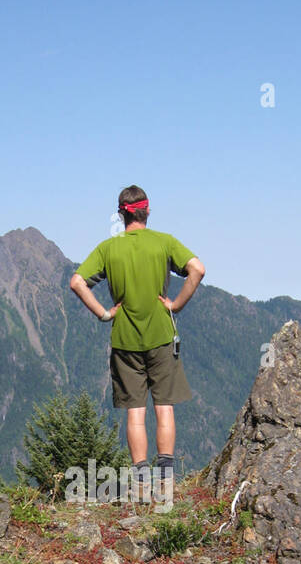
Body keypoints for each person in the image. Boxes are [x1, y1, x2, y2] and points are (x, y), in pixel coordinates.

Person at [69, 186, 205, 503]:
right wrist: (176, 305)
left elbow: (77, 281)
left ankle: (142, 485)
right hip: (161, 335)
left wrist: (105, 313)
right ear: (147, 211)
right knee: (164, 406)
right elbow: (197, 269)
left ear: (121, 214)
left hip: (125, 340)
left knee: (135, 412)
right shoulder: (164, 242)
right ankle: (166, 484)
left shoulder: (108, 248)